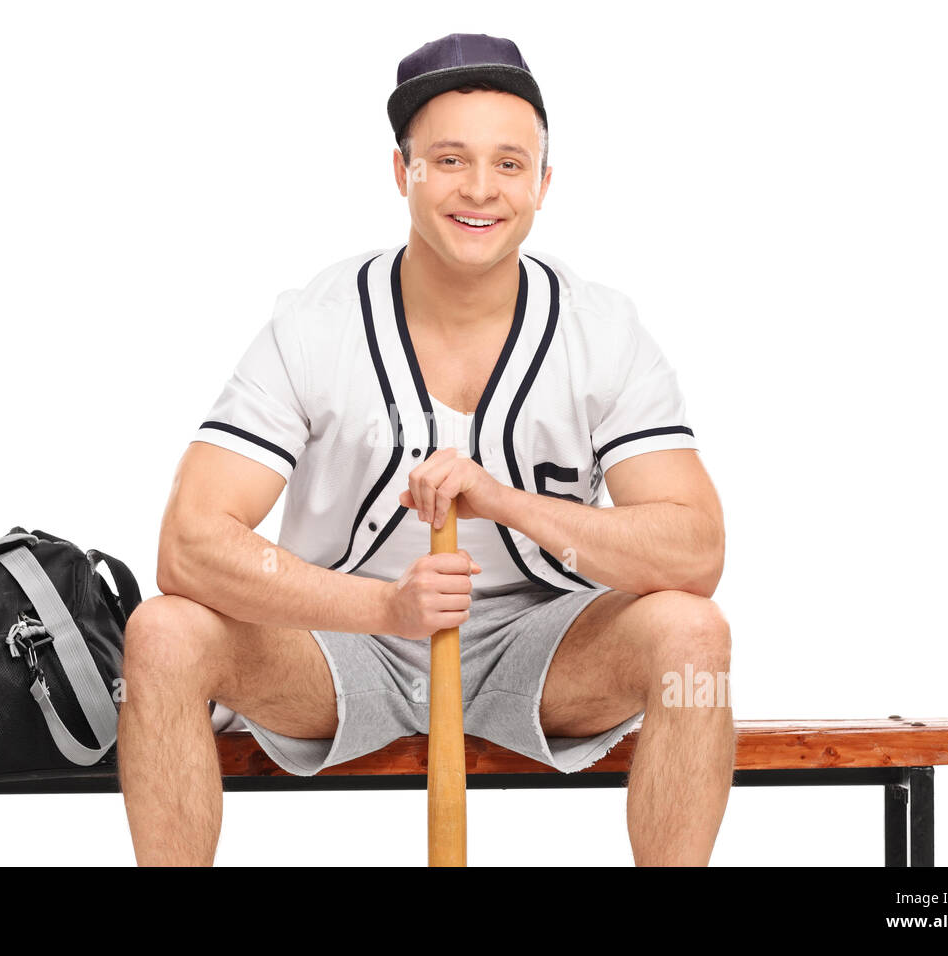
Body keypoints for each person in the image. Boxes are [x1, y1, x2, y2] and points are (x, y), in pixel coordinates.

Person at [119, 32, 733, 866]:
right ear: (402, 173)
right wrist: (385, 610)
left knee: (693, 640)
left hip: (543, 647)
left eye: (510, 164)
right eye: (449, 160)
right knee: (163, 634)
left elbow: (696, 550)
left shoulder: (602, 332)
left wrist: (507, 501)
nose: (480, 189)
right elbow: (188, 546)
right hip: (340, 646)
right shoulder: (316, 326)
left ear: (545, 183)